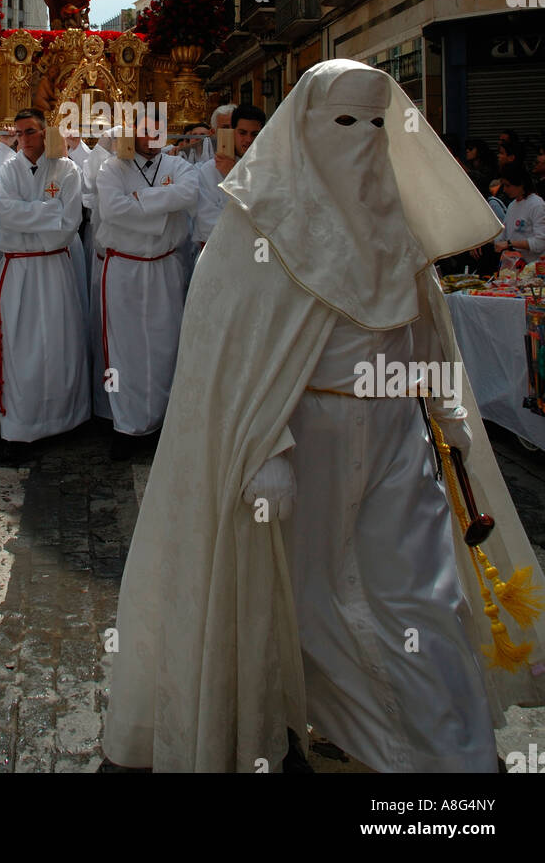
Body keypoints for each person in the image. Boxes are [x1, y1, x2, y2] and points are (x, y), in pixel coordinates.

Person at [103, 60, 545, 773]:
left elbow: (425, 329)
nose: (363, 139)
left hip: (400, 448)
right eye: (346, 123)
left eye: (378, 124)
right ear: (307, 130)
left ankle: (453, 759)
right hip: (307, 450)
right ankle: (343, 731)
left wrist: (448, 413)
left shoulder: (395, 223)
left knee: (423, 603)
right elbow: (232, 358)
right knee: (311, 609)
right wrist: (267, 448)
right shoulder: (257, 233)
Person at [93, 113, 199, 457]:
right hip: (125, 265)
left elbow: (188, 193)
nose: (152, 137)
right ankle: (127, 426)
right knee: (124, 348)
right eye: (144, 130)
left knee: (166, 343)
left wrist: (138, 201)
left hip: (165, 266)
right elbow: (112, 210)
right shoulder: (113, 167)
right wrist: (161, 206)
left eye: (158, 131)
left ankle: (165, 424)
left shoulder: (177, 165)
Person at [0, 108, 89, 459]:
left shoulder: (67, 170)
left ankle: (64, 419)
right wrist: (47, 210)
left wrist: (28, 213)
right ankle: (20, 425)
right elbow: (3, 212)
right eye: (19, 133)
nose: (24, 139)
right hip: (19, 271)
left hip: (54, 269)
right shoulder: (7, 169)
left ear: (45, 132)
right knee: (21, 349)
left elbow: (69, 222)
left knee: (60, 344)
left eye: (30, 132)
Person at [193, 106, 266, 251]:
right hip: (218, 254)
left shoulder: (268, 168)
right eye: (242, 133)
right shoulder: (209, 170)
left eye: (255, 134)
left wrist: (234, 176)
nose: (248, 140)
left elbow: (267, 214)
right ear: (232, 132)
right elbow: (206, 223)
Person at [495, 163, 545, 264]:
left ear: (521, 184)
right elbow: (502, 237)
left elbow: (540, 243)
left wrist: (510, 244)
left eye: (508, 185)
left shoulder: (537, 205)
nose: (504, 190)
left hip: (535, 268)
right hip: (513, 268)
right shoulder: (512, 205)